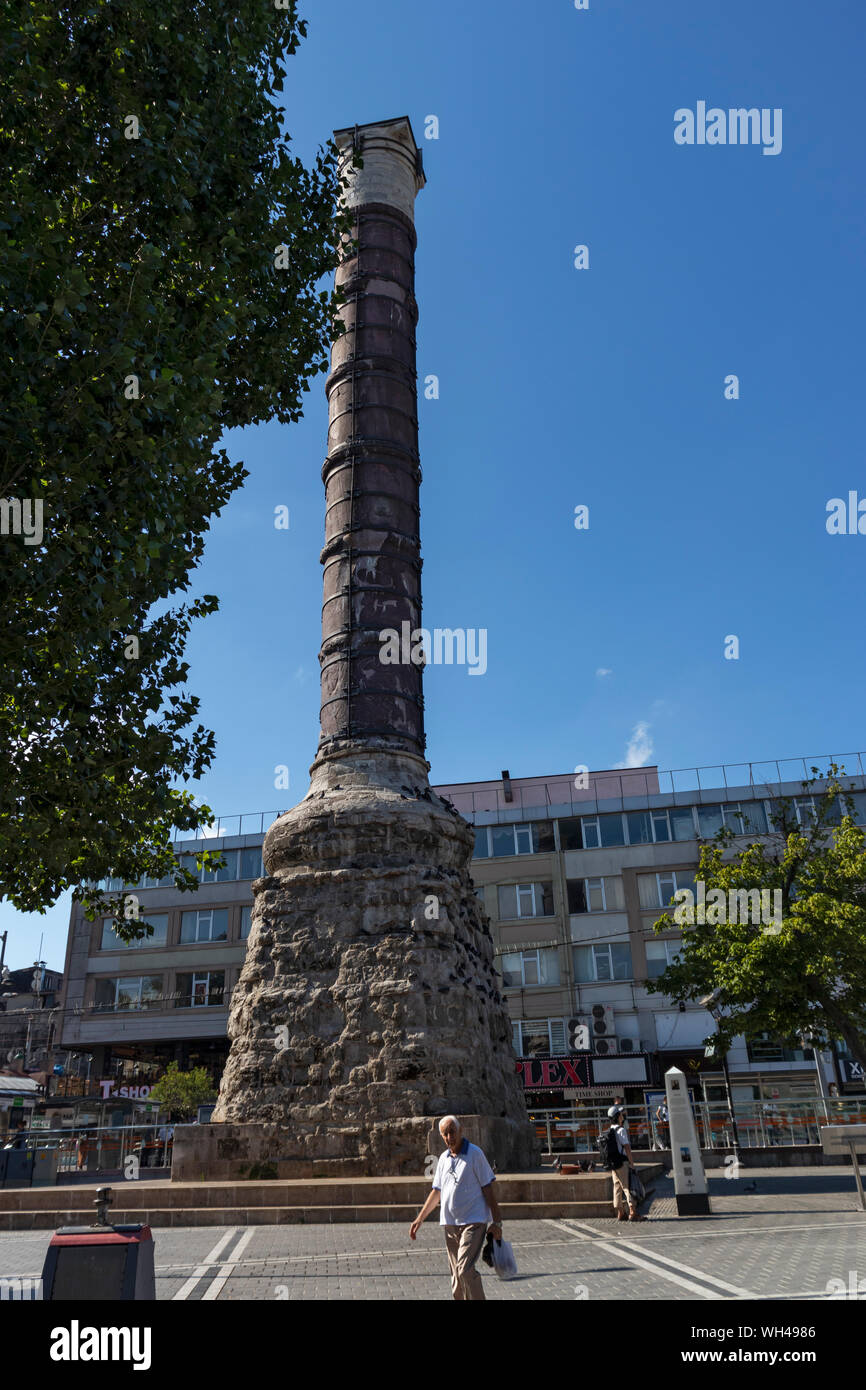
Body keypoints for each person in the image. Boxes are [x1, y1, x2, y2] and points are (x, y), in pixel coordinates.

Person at [409, 1116, 503, 1301]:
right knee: (457, 1279)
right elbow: (436, 1192)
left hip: (473, 1222)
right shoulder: (443, 1158)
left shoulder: (475, 1154)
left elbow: (488, 1189)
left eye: (452, 1131)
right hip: (450, 1224)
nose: (449, 1136)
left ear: (461, 1131)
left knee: (465, 1269)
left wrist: (497, 1222)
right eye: (445, 1133)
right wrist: (420, 1218)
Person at [602, 1105, 645, 1223]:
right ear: (617, 1117)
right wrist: (632, 1163)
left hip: (613, 1164)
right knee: (627, 1186)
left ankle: (620, 1212)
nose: (622, 1116)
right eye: (621, 1114)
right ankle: (632, 1212)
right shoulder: (621, 1130)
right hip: (622, 1162)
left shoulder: (609, 1130)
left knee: (617, 1186)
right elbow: (627, 1148)